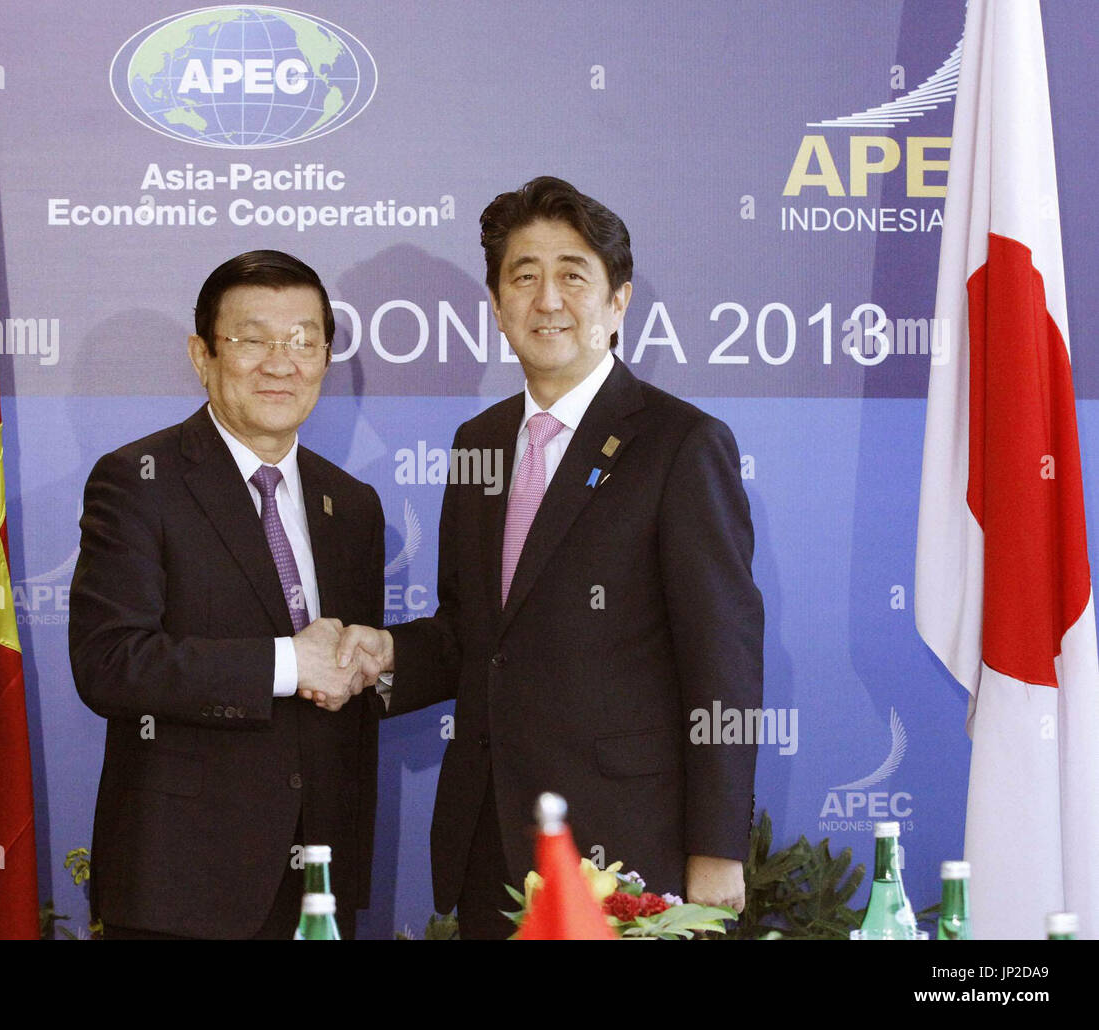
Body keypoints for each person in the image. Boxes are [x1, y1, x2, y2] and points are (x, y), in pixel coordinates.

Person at [338, 177, 764, 939]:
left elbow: (723, 660)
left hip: (625, 848)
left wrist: (716, 848)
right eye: (523, 276)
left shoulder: (680, 445)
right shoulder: (480, 443)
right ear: (498, 307)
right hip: (489, 838)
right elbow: (474, 632)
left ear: (619, 302)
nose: (548, 298)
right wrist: (388, 654)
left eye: (573, 274)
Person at [70, 250, 384, 939]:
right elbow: (111, 663)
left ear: (326, 357)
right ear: (202, 355)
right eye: (251, 339)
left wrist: (376, 661)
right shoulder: (137, 482)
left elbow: (345, 689)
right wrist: (287, 664)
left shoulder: (352, 504)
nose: (281, 363)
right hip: (182, 888)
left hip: (319, 887)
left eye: (303, 340)